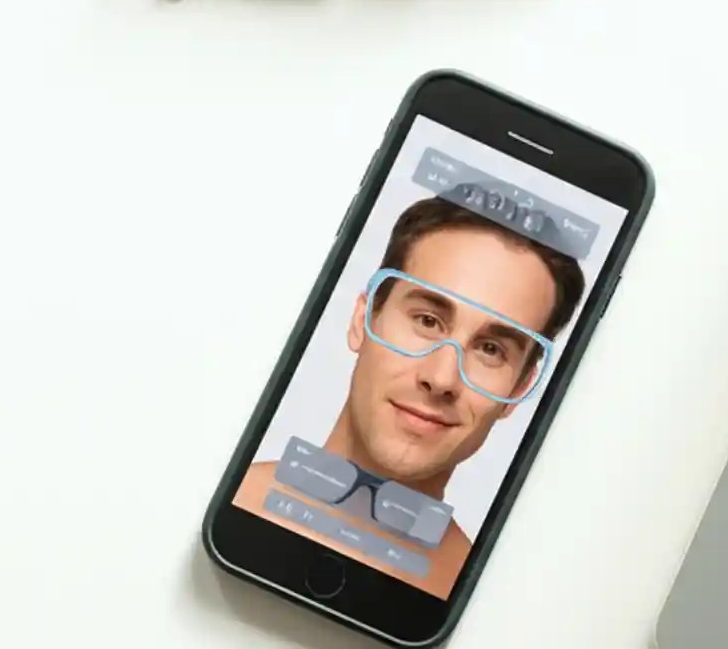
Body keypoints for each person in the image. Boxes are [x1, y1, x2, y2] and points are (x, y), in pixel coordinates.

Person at [234, 195, 585, 599]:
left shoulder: (488, 611)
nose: (441, 378)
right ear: (362, 320)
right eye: (427, 320)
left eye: (490, 349)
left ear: (519, 389)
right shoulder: (211, 498)